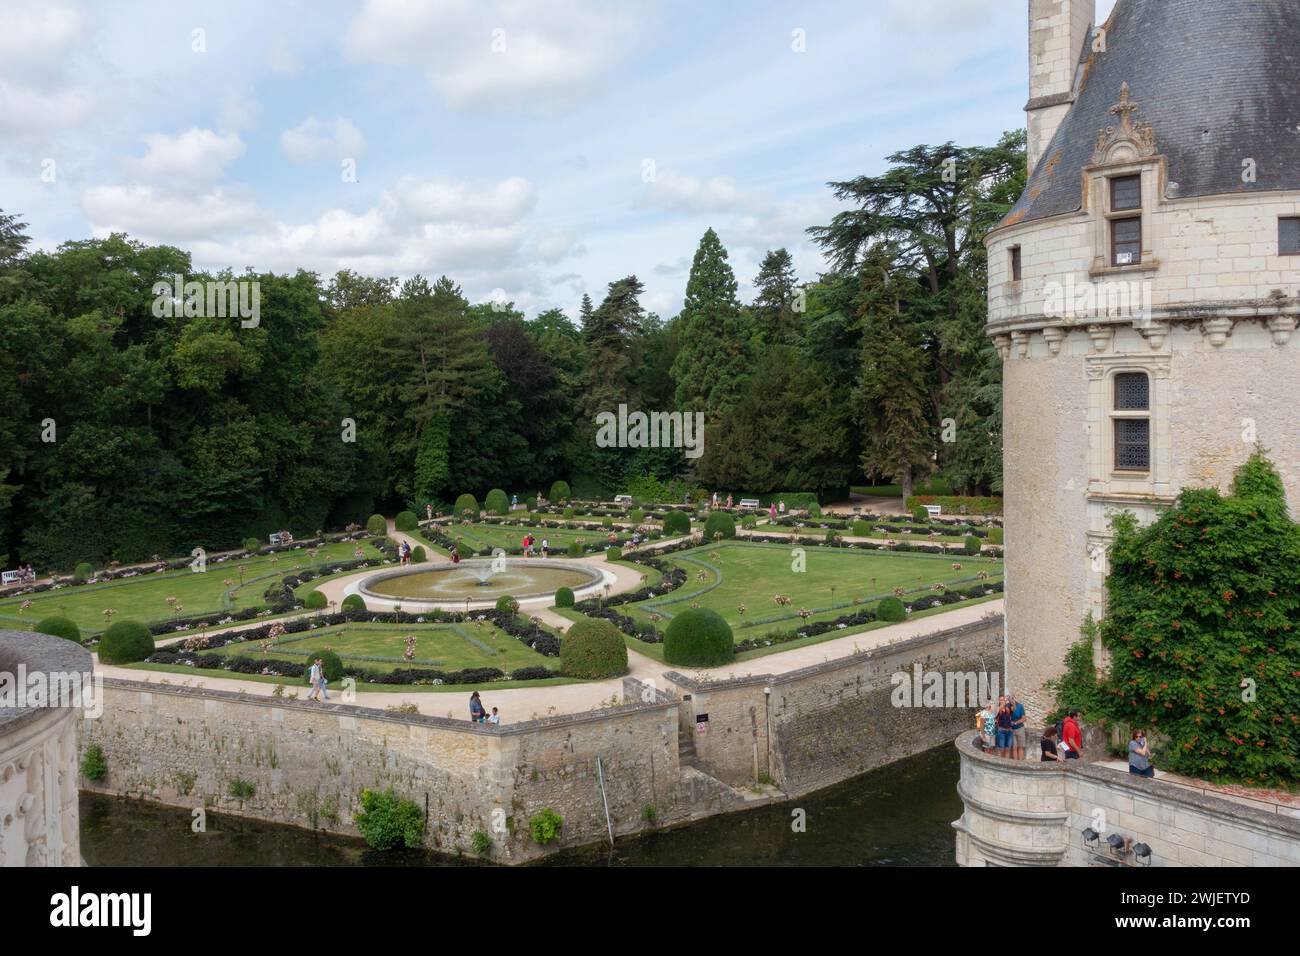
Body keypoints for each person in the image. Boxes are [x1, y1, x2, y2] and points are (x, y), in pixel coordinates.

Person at [1008, 693, 1027, 760]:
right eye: (1009, 699)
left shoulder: (1020, 706)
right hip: (1011, 729)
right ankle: (1015, 763)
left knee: (1020, 747)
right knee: (1014, 747)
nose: (1010, 701)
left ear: (1014, 698)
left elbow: (1024, 718)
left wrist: (1015, 723)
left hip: (1020, 728)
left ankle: (1020, 763)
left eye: (1012, 699)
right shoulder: (1008, 706)